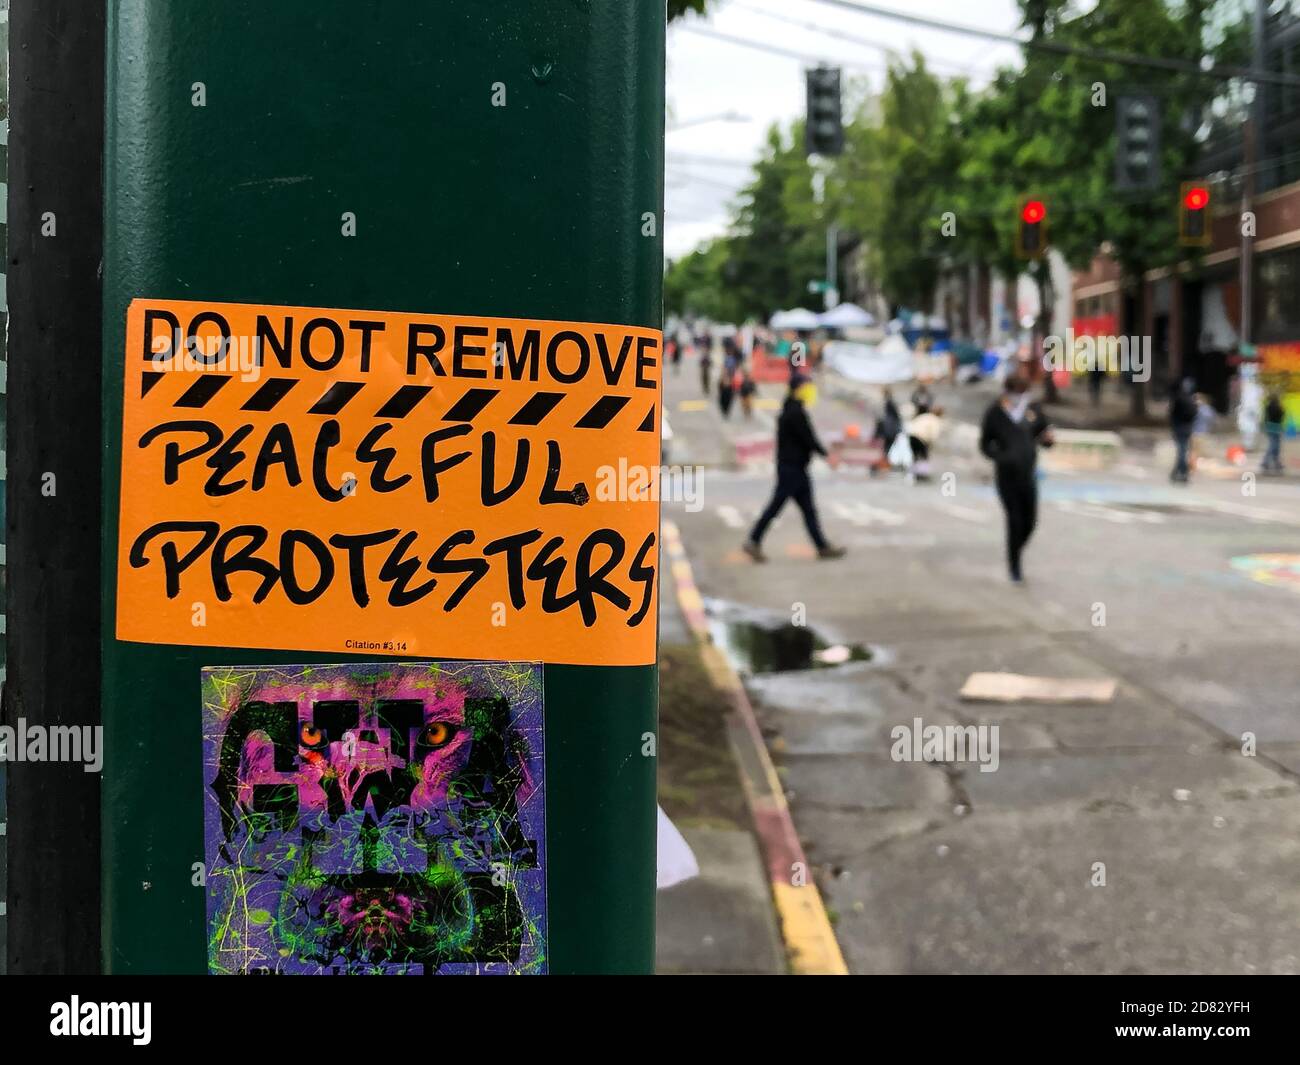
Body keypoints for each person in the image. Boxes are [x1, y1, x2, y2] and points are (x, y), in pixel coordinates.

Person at [744, 374, 846, 562]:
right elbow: (809, 439)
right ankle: (753, 540)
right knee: (776, 507)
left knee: (808, 510)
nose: (811, 392)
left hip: (795, 468)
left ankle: (822, 546)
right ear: (798, 389)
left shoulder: (792, 409)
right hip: (792, 469)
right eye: (807, 387)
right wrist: (827, 456)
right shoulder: (795, 413)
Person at [980, 375, 1053, 583]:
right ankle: (1015, 566)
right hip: (1006, 476)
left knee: (1030, 521)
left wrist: (1048, 440)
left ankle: (1016, 550)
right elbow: (985, 444)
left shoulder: (1032, 411)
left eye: (1023, 392)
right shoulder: (995, 413)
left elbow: (1044, 434)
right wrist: (1000, 457)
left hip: (1028, 474)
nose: (1020, 397)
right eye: (1016, 392)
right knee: (1014, 519)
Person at [1169, 378, 1198, 483]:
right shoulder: (1192, 400)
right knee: (1183, 450)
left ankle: (1182, 471)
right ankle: (1179, 472)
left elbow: (1173, 414)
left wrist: (1173, 425)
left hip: (1179, 428)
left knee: (1181, 451)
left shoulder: (1179, 399)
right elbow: (1195, 414)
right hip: (1187, 428)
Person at [1263, 391, 1286, 474]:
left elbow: (1265, 417)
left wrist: (1265, 426)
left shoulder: (1268, 406)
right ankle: (1266, 462)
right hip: (1276, 427)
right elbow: (1281, 415)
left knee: (1274, 446)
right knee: (1274, 446)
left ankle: (1275, 463)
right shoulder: (1277, 407)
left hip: (1270, 427)